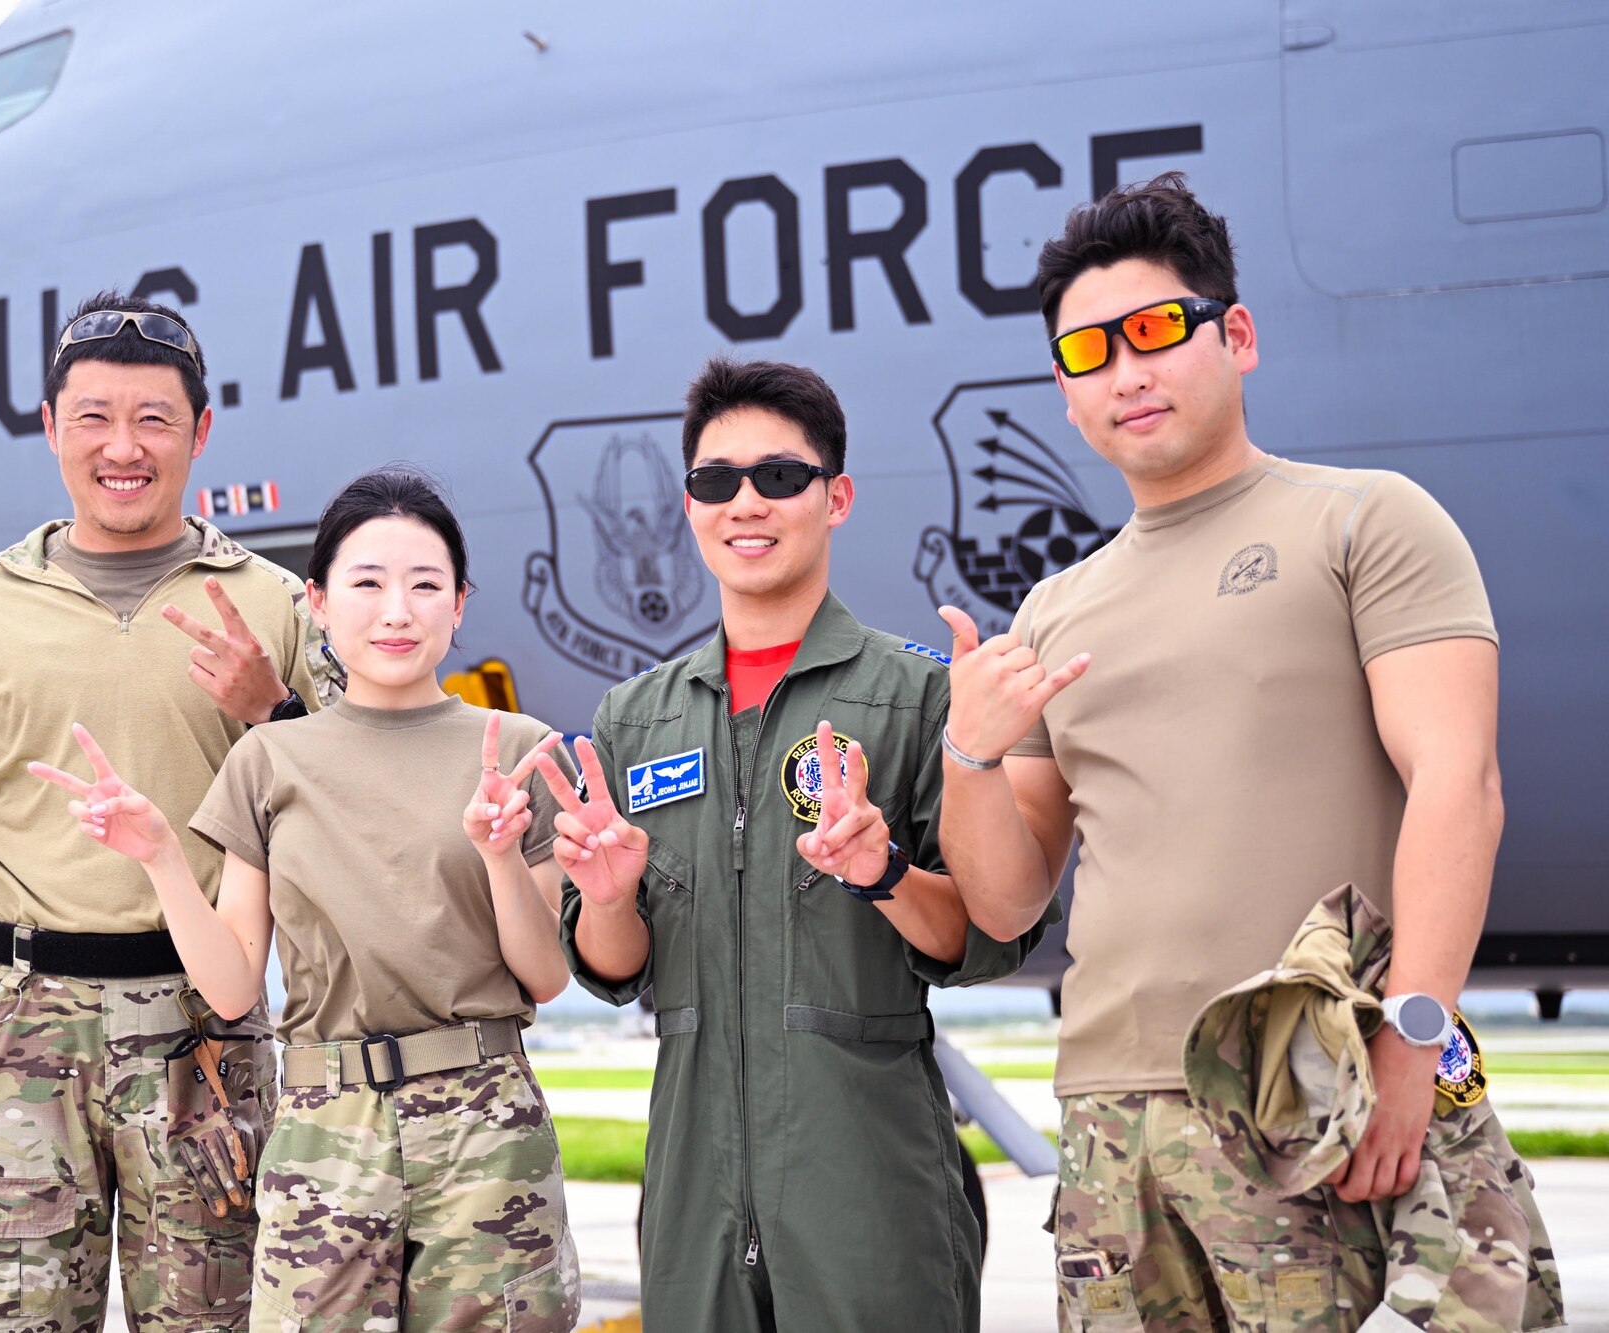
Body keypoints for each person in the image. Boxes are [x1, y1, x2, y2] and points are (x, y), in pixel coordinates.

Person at [936, 173, 1561, 1330]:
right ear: (1063, 394)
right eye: (1087, 352)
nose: (1125, 372)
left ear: (1236, 336)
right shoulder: (1050, 613)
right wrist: (967, 757)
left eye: (1155, 330)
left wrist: (1411, 1045)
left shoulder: (1362, 521)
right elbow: (1009, 897)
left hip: (1319, 1077)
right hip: (1111, 1120)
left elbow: (1457, 785)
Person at [0, 291, 325, 1331]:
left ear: (201, 431)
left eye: (154, 419)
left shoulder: (272, 606)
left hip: (203, 1031)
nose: (124, 447)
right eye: (94, 417)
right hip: (19, 1028)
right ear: (51, 427)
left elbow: (349, 821)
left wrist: (272, 712)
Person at [550, 358, 1056, 1333]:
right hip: (692, 1199)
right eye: (715, 480)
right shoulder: (636, 720)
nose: (746, 503)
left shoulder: (919, 700)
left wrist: (882, 871)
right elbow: (613, 971)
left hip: (868, 1196)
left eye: (779, 476)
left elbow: (984, 936)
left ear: (837, 498)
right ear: (689, 505)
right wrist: (608, 896)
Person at [32, 467, 585, 1333]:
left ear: (459, 605)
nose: (396, 611)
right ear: (318, 604)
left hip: (484, 1121)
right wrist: (162, 858)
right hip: (327, 1130)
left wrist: (500, 855)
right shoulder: (268, 761)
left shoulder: (516, 750)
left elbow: (545, 974)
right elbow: (230, 985)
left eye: (425, 585)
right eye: (367, 584)